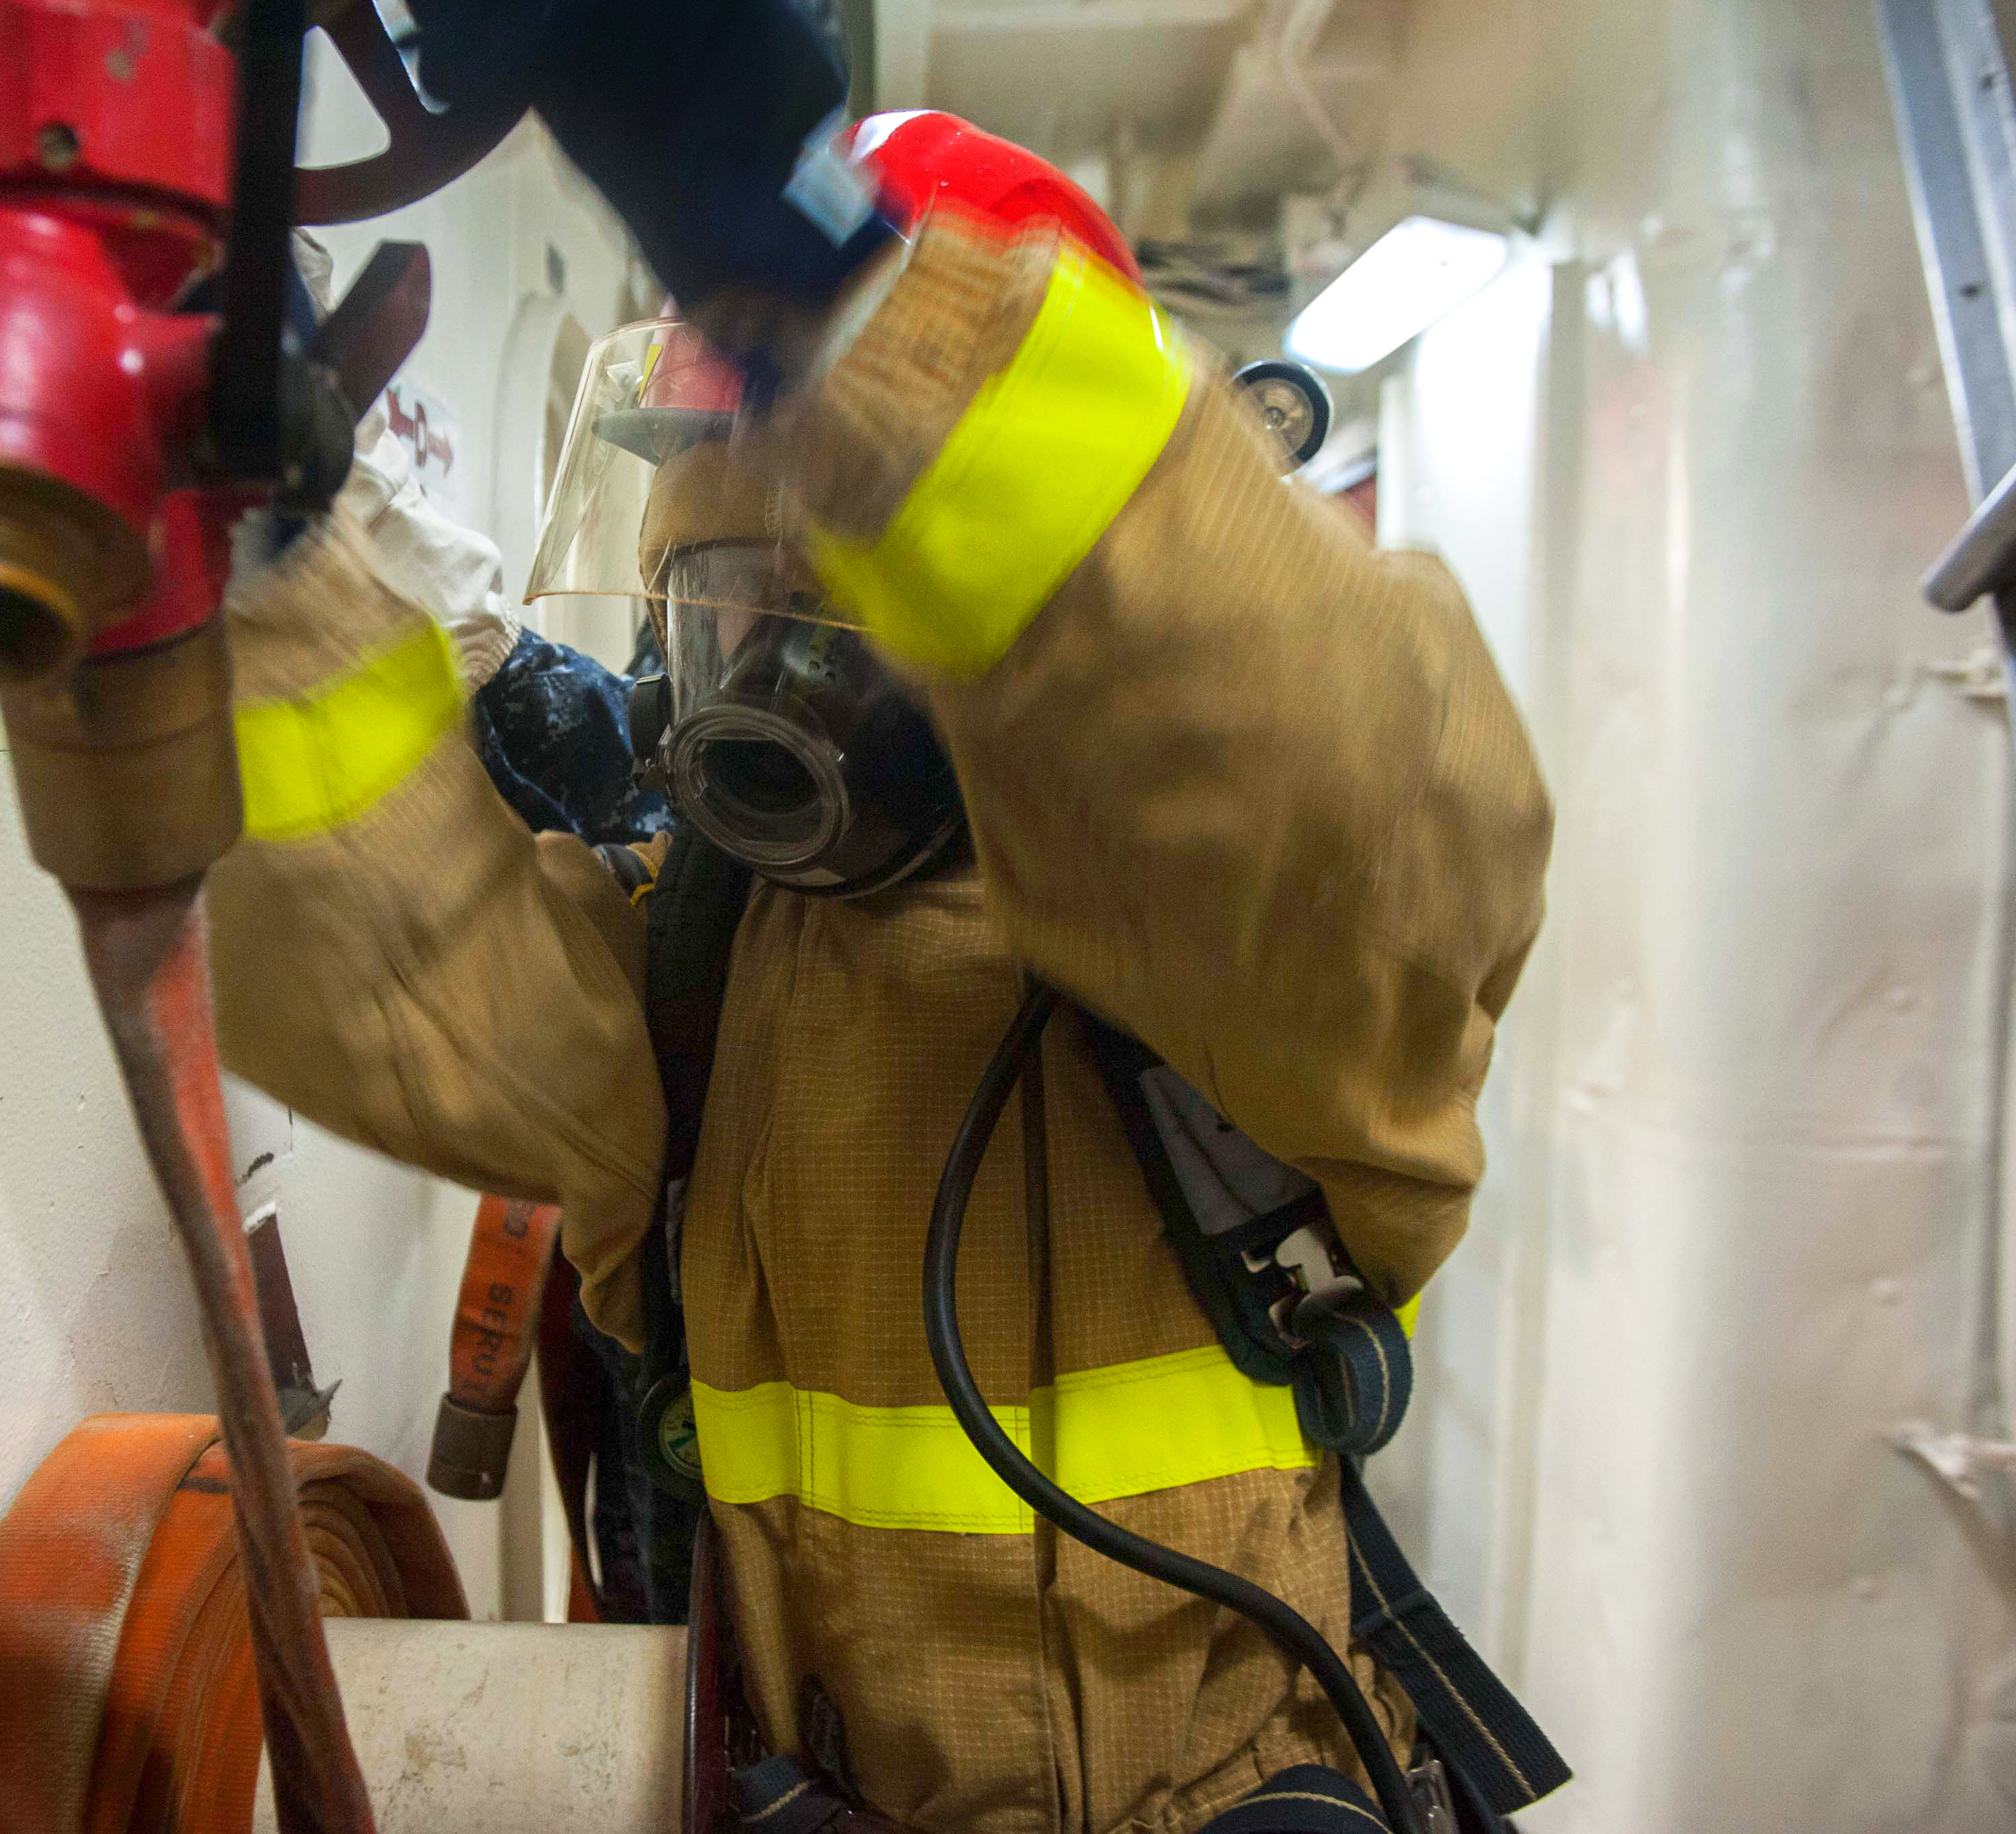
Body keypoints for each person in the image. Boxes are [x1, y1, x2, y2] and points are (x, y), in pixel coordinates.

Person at [204, 111, 1552, 1834]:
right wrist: (258, 586)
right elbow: (412, 985)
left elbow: (1353, 778)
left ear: (1015, 604)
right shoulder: (700, 957)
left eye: (823, 601)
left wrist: (878, 327)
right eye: (732, 602)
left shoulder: (1265, 965)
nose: (764, 683)